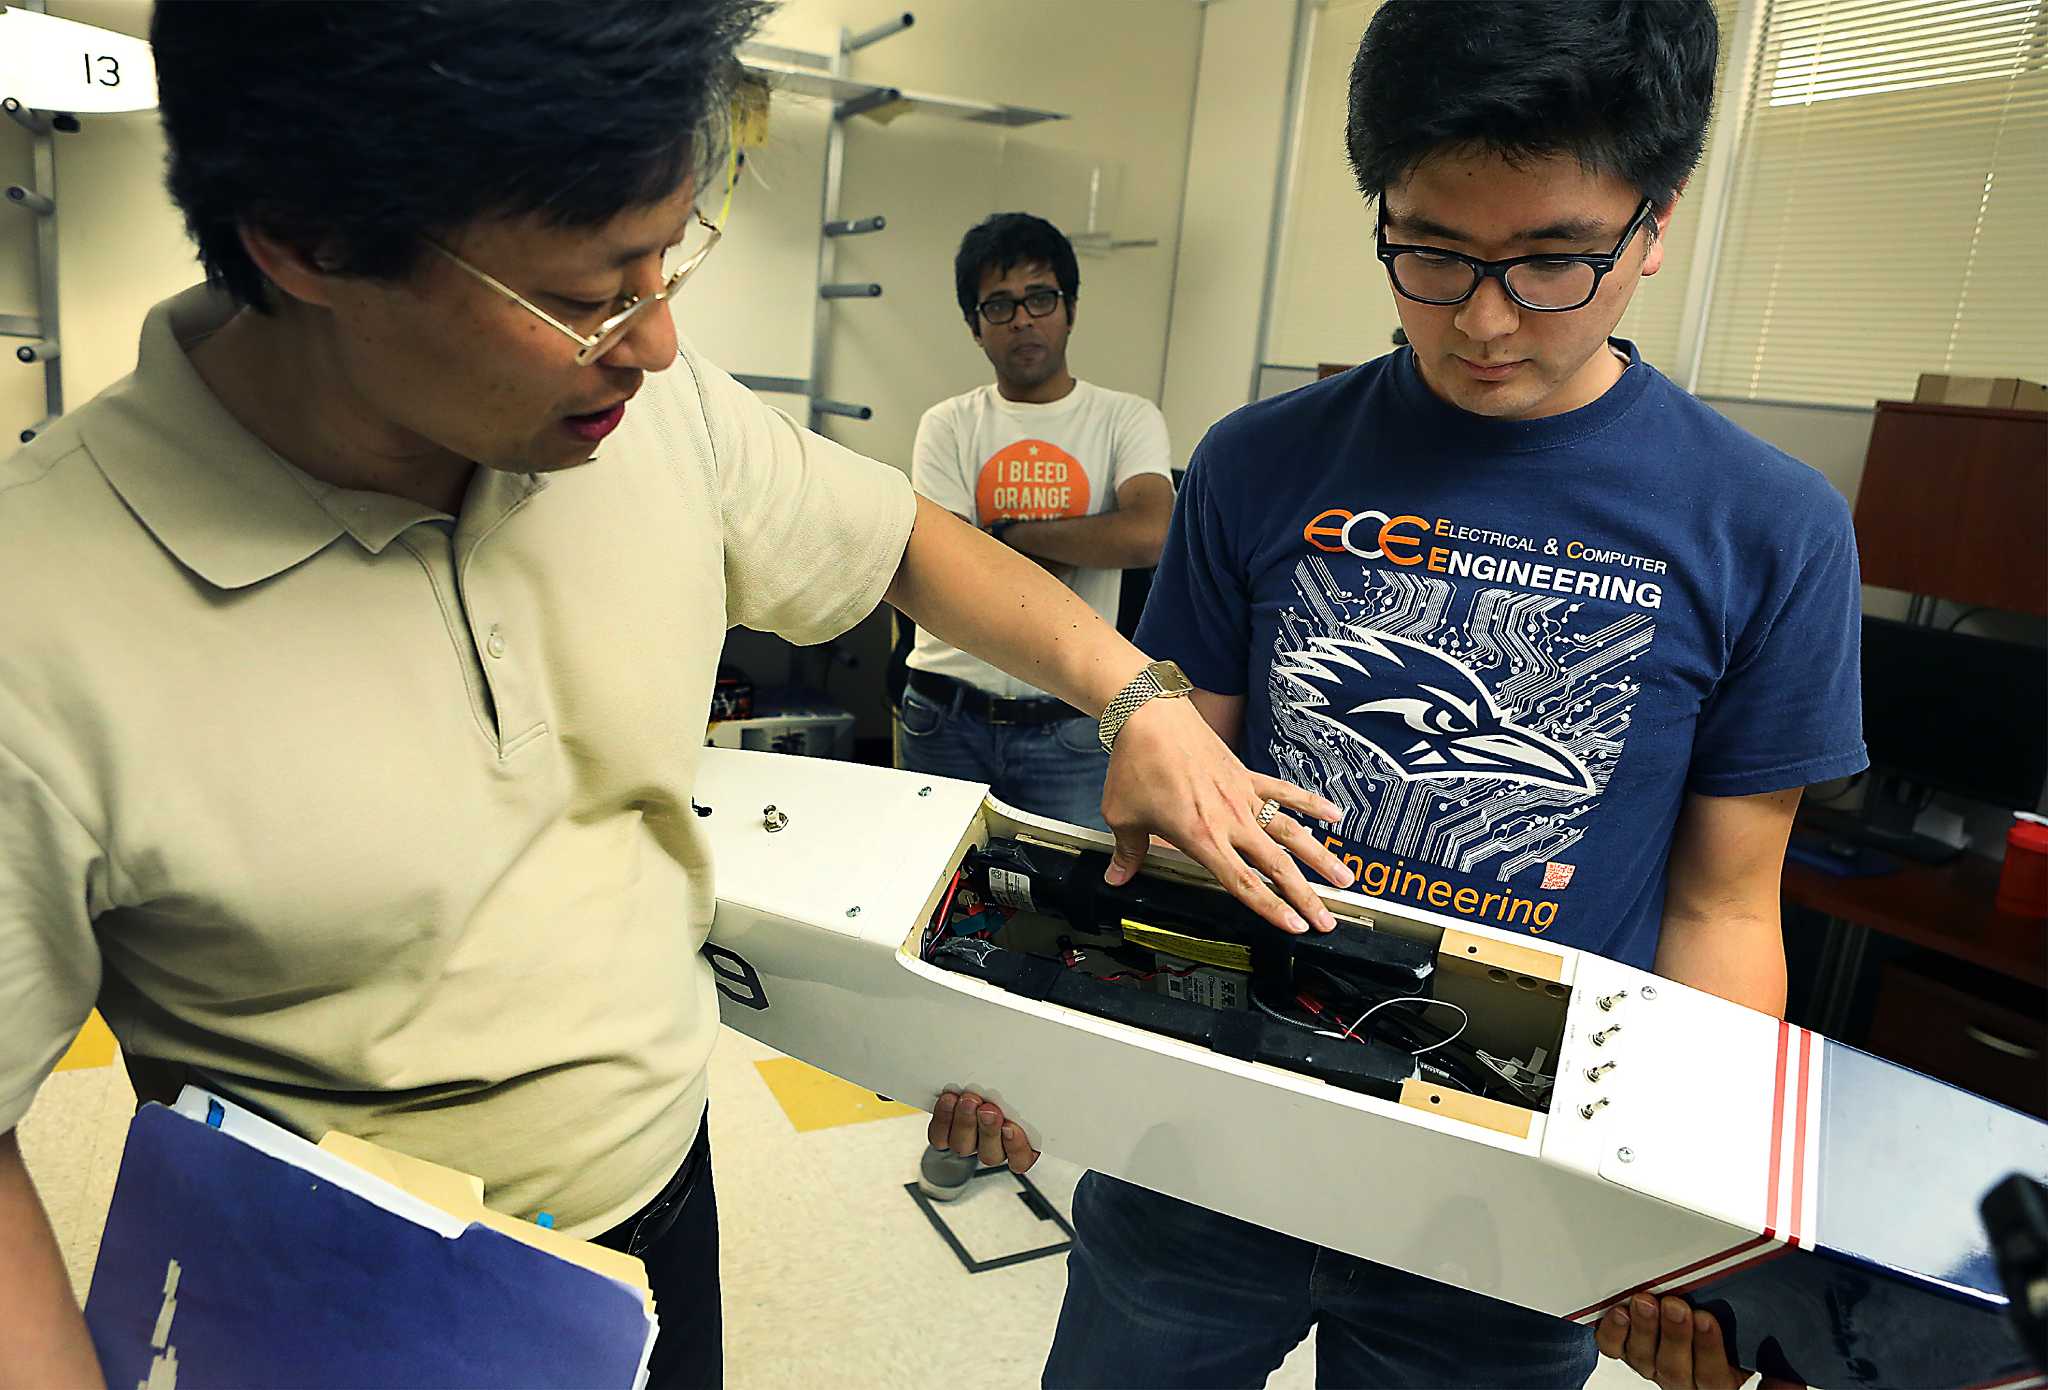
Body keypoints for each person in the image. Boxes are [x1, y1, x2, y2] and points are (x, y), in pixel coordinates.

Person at [0, 6, 1358, 1388]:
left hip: (662, 1199)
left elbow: (899, 539)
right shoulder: (38, 614)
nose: (650, 344)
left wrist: (1140, 699)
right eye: (586, 294)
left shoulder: (656, 411)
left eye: (670, 259)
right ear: (306, 242)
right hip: (341, 1299)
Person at [1042, 4, 1863, 1389]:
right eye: (1428, 251)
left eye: (1551, 261)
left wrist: (1688, 1219)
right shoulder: (1256, 462)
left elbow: (1722, 906)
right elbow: (1182, 791)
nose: (1480, 320)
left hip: (1502, 1208)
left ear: (1654, 222)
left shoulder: (1768, 526)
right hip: (1209, 1146)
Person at [899, 212, 1176, 1200]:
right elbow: (935, 558)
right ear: (975, 323)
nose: (1021, 320)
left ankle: (1042, 1115)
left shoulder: (1121, 418)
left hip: (1068, 724)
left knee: (1057, 929)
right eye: (997, 305)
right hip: (944, 708)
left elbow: (1147, 533)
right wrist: (1062, 535)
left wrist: (1005, 530)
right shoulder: (949, 423)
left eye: (1038, 298)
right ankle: (956, 1120)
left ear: (1067, 304)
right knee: (937, 923)